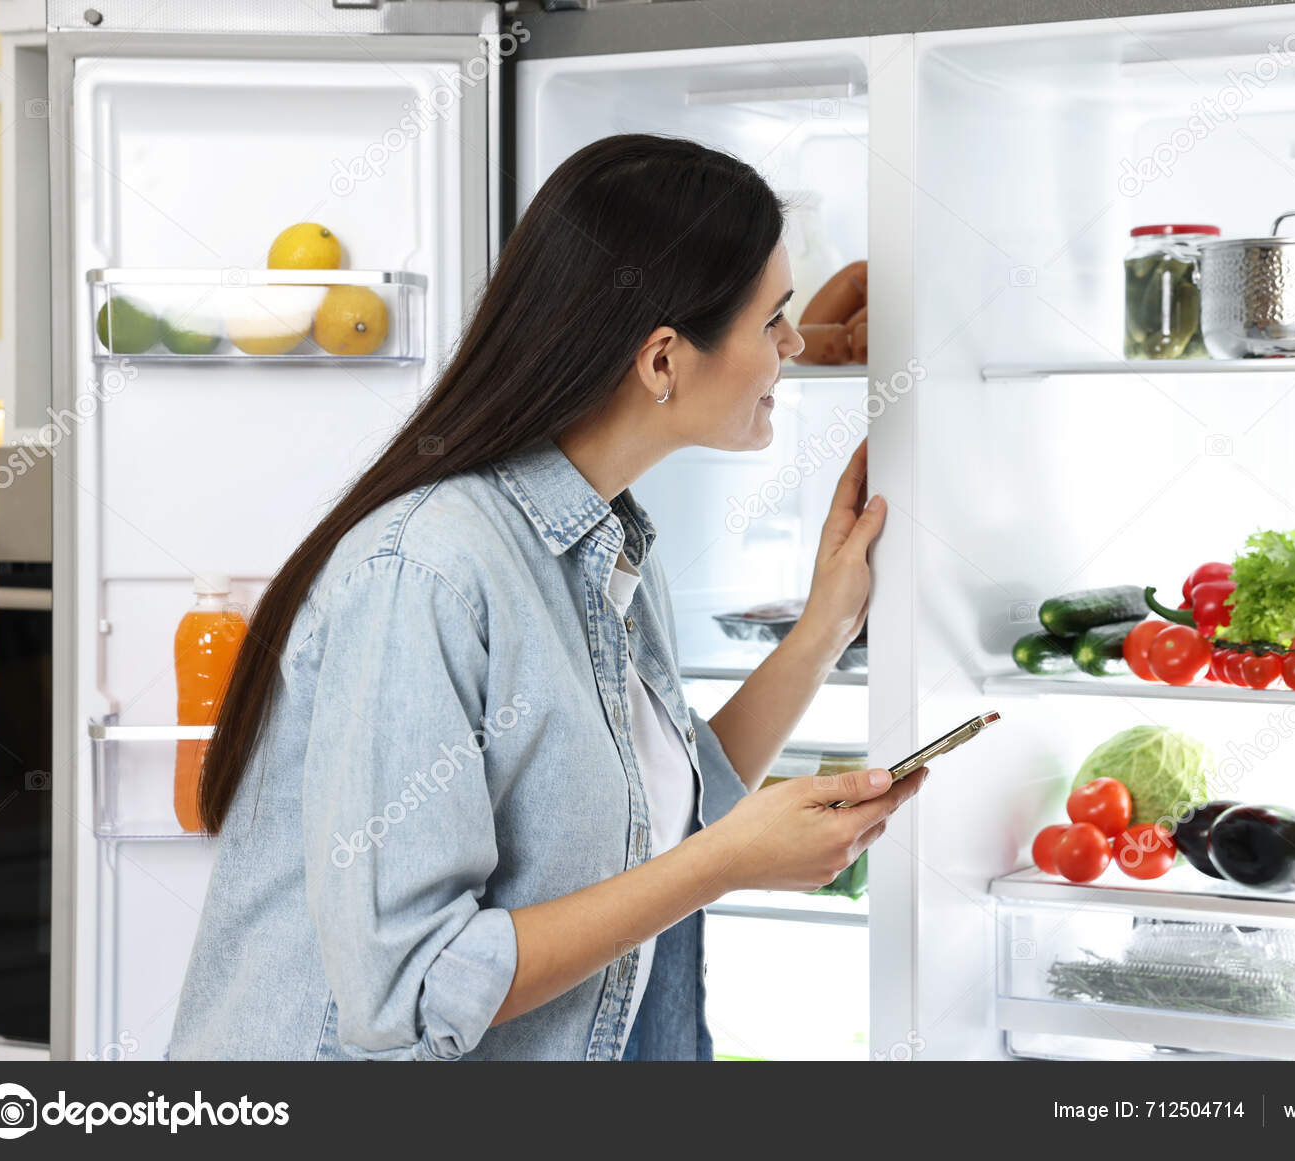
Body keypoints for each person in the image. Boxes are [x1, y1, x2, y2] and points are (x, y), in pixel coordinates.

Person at [168, 134, 922, 1061]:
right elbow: (410, 991)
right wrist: (724, 862)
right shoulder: (426, 572)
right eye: (773, 320)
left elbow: (670, 804)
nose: (795, 345)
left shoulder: (605, 541)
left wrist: (825, 628)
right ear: (662, 361)